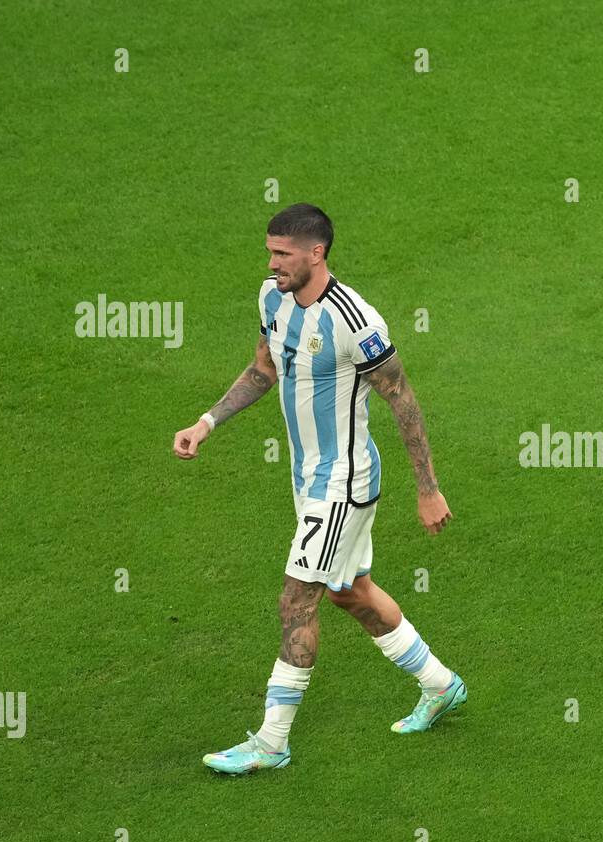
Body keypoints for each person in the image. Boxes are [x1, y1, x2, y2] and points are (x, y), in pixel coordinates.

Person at [172, 203, 466, 774]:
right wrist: (206, 422)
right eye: (270, 251)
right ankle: (441, 684)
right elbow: (263, 369)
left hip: (344, 480)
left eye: (282, 253)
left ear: (317, 253)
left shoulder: (357, 323)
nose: (272, 262)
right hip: (306, 478)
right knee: (348, 592)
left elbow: (401, 399)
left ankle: (271, 742)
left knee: (296, 597)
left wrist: (428, 489)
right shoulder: (272, 298)